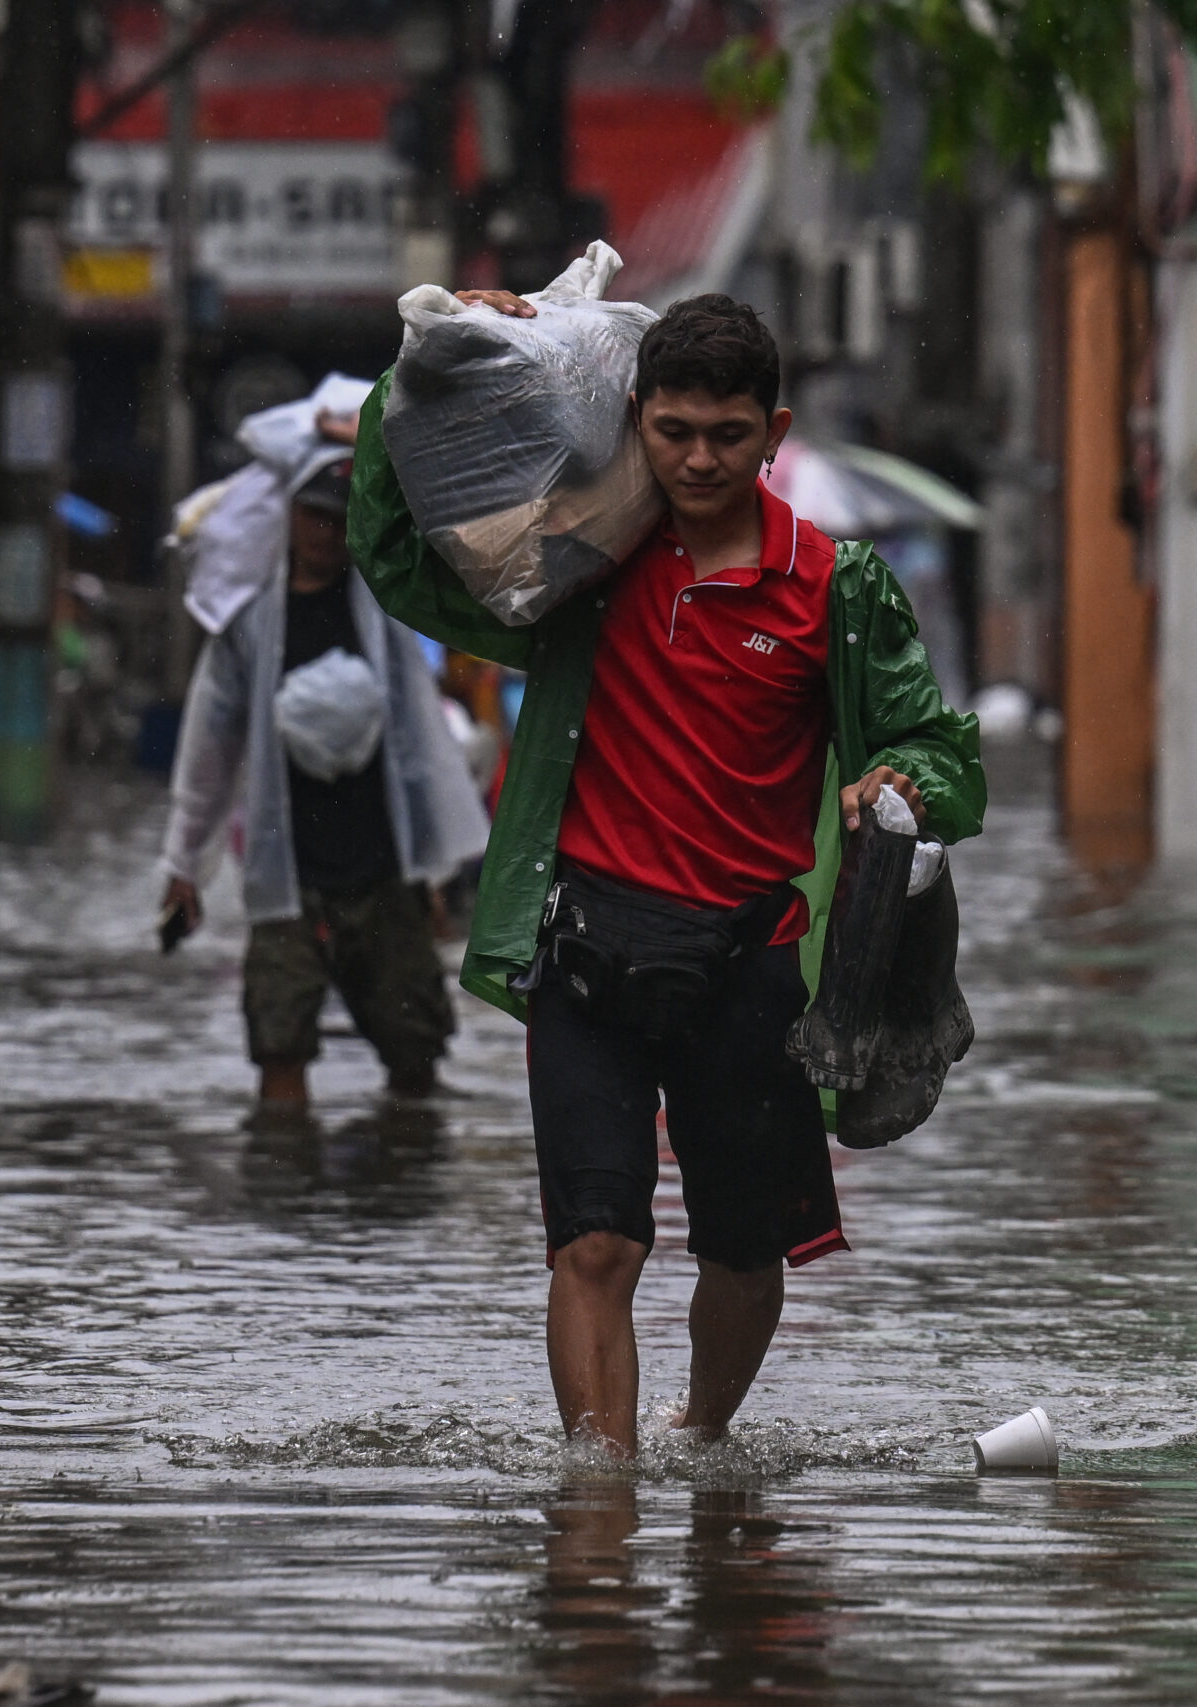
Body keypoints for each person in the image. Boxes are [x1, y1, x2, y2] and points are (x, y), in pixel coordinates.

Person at [350, 293, 985, 1454]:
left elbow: (943, 750)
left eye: (727, 436)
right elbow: (398, 562)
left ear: (773, 432)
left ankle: (698, 1443)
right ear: (635, 419)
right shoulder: (576, 570)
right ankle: (599, 1499)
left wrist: (896, 783)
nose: (697, 460)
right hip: (581, 951)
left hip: (749, 966)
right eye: (673, 431)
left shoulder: (835, 590)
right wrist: (419, 368)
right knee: (595, 1245)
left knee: (744, 1255)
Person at [161, 451, 490, 1112]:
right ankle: (286, 1199)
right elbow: (209, 751)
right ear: (287, 515)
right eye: (312, 514)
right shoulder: (250, 623)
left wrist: (431, 872)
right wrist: (182, 866)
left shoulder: (384, 612)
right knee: (280, 1047)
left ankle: (395, 1197)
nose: (325, 532)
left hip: (383, 867)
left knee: (415, 1051)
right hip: (288, 878)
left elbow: (419, 746)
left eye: (339, 518)